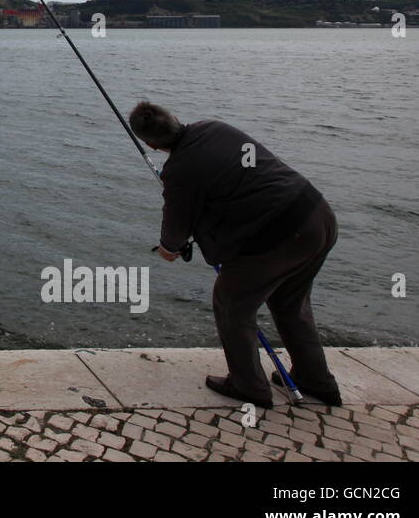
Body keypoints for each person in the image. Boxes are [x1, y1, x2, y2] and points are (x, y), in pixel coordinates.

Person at [129, 100, 342, 409]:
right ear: (176, 117)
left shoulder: (178, 171)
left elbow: (176, 225)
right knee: (290, 304)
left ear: (150, 144)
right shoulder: (215, 127)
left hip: (280, 236)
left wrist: (168, 249)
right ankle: (316, 380)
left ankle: (249, 386)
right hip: (317, 217)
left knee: (231, 306)